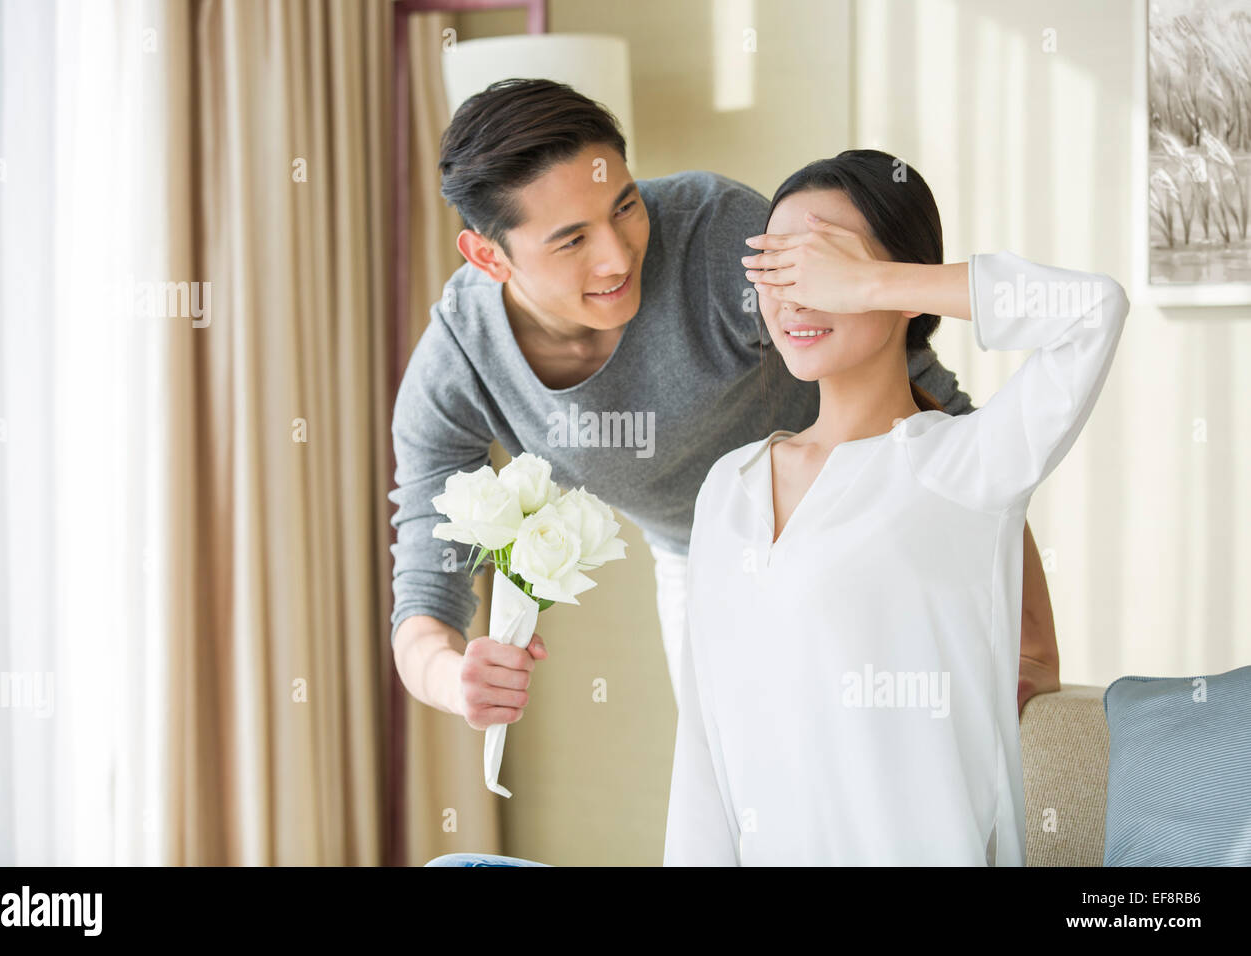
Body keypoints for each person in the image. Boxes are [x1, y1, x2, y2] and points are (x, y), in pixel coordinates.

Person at [391, 80, 1061, 745]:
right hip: (702, 558)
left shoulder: (716, 237)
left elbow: (950, 418)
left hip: (873, 514)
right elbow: (426, 592)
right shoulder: (461, 365)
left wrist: (1032, 647)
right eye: (571, 241)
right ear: (488, 256)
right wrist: (457, 680)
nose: (618, 256)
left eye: (626, 205)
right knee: (741, 781)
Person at [663, 150, 1129, 866]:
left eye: (823, 266)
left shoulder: (966, 467)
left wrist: (872, 283)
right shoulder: (730, 485)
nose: (796, 294)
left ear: (906, 285)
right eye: (777, 268)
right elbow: (703, 751)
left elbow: (1093, 310)